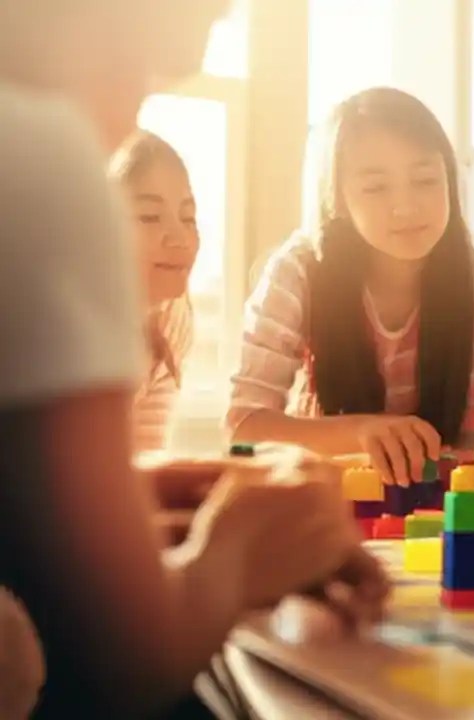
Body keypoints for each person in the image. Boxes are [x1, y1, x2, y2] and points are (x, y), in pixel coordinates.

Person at [0, 3, 387, 717]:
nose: (127, 126)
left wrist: (162, 494)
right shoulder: (36, 150)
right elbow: (124, 661)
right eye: (146, 70)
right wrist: (239, 552)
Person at [226, 87, 474, 488]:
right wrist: (363, 433)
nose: (406, 207)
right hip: (318, 496)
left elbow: (465, 444)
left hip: (425, 504)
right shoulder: (299, 272)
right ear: (338, 200)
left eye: (425, 180)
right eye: (376, 187)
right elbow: (243, 429)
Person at [109, 130, 199, 453]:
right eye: (149, 217)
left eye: (188, 217)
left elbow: (142, 463)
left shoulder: (170, 324)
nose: (180, 238)